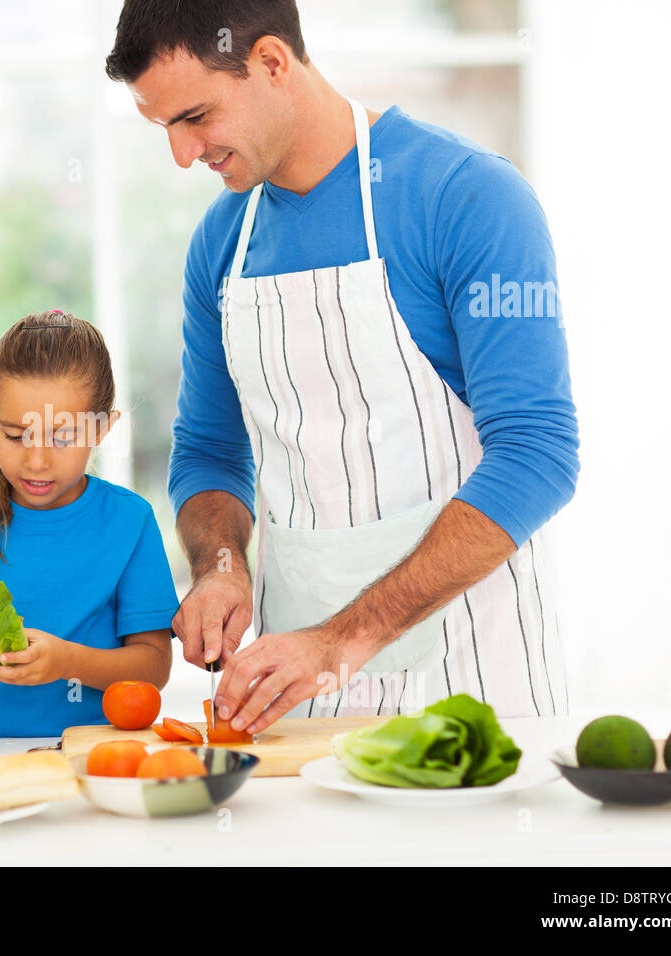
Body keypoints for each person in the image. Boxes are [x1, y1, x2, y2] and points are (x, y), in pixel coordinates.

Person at [104, 0, 579, 732]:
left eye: (195, 117)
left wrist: (341, 639)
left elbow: (539, 454)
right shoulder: (221, 244)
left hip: (474, 684)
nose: (182, 153)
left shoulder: (466, 196)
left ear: (270, 61)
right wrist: (220, 565)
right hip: (295, 699)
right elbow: (208, 453)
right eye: (164, 127)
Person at [0, 311, 177, 738]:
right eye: (15, 435)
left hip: (89, 756)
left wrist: (67, 662)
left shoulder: (130, 522)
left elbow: (153, 667)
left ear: (103, 428)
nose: (36, 460)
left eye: (63, 438)